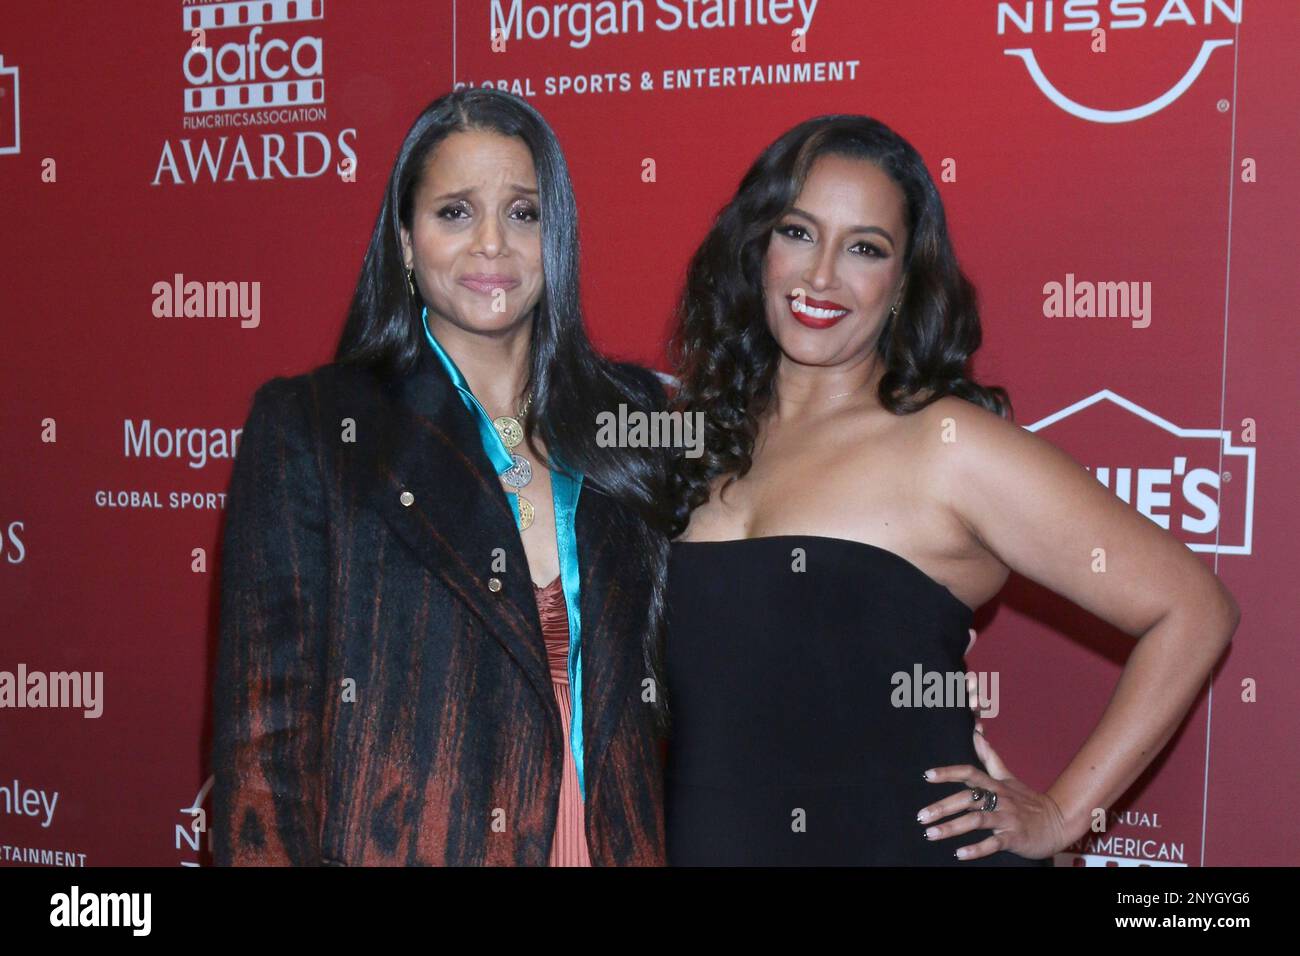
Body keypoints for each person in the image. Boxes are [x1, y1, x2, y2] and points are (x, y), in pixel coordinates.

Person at [661, 114, 1239, 866]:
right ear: (757, 248)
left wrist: (1064, 815)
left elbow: (1193, 609)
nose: (822, 275)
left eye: (865, 248)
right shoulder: (691, 445)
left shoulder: (949, 446)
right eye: (797, 232)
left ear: (902, 283)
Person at [210, 88, 672, 866]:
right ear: (403, 240)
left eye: (523, 213)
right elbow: (265, 745)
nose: (492, 245)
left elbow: (749, 626)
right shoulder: (317, 428)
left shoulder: (637, 422)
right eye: (455, 212)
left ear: (556, 237)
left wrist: (941, 716)